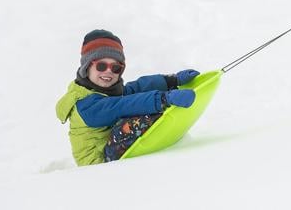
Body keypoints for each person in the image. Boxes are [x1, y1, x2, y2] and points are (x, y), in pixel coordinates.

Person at [55, 29, 200, 165]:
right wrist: (164, 99)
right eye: (101, 66)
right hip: (100, 162)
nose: (108, 72)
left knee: (135, 103)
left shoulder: (106, 91)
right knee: (131, 119)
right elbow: (124, 105)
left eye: (116, 68)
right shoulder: (85, 105)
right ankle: (163, 115)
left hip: (111, 146)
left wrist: (171, 80)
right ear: (87, 68)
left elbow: (134, 89)